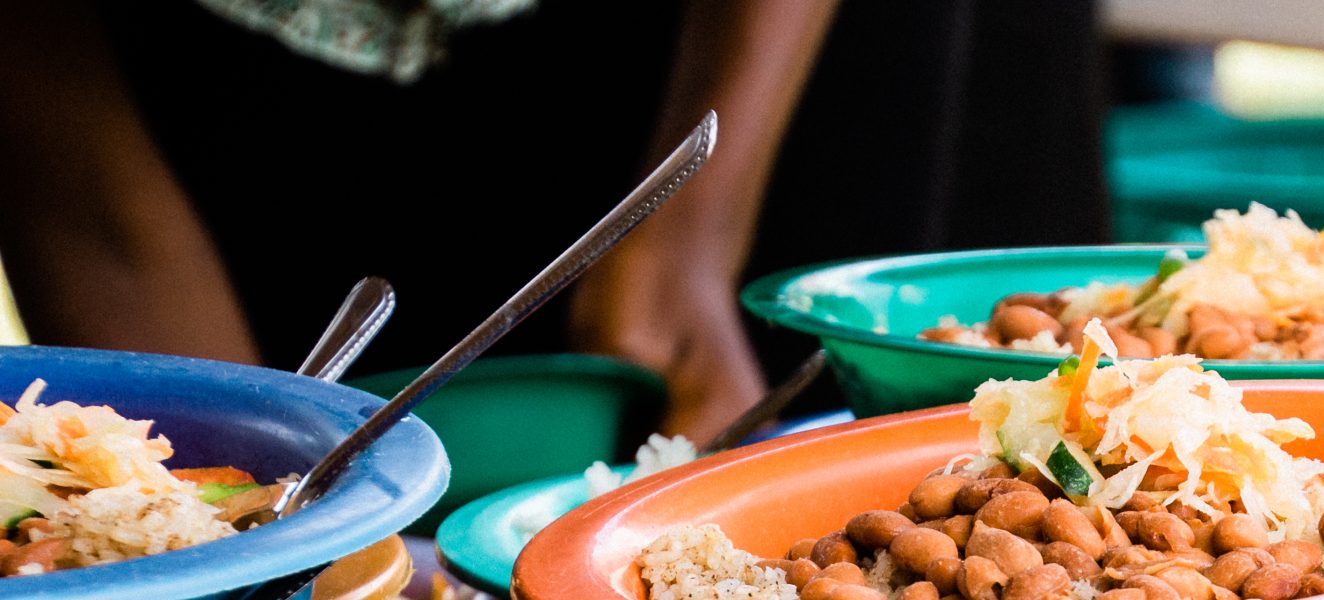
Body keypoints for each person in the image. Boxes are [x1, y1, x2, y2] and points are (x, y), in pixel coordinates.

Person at [0, 0, 1110, 439]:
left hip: (790, 46)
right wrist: (236, 471)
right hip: (239, 62)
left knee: (937, 483)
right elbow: (83, 185)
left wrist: (690, 241)